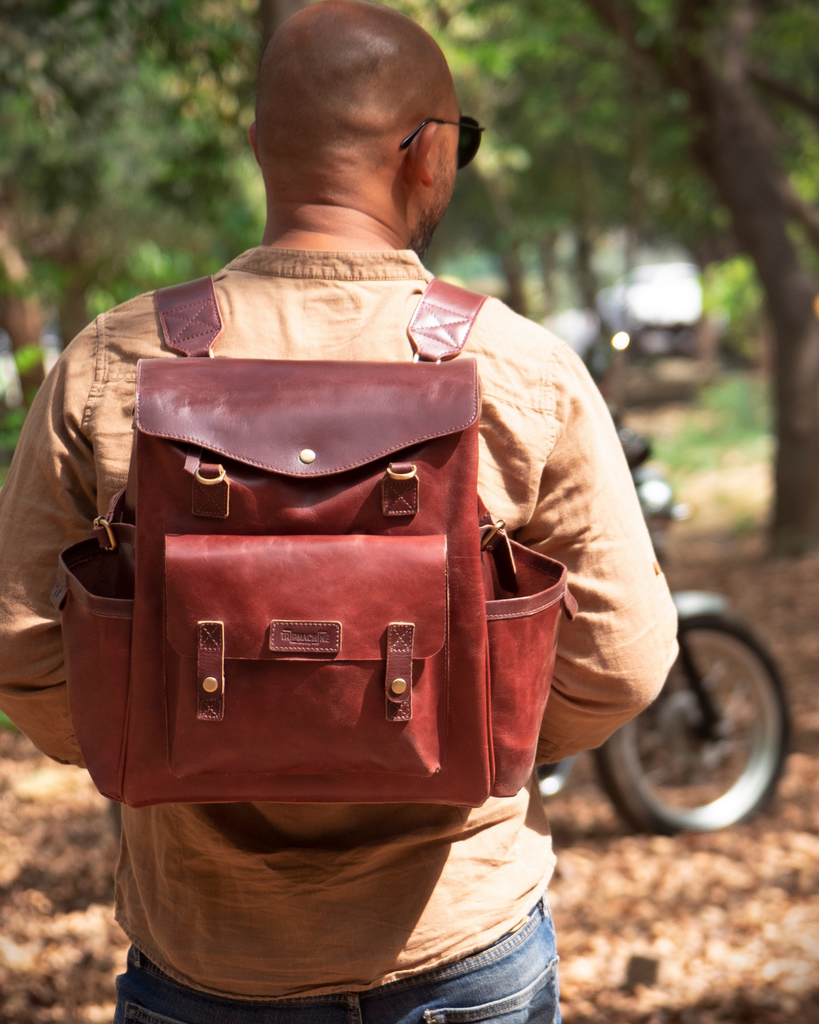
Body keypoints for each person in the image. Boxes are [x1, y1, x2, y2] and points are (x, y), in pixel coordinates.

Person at [0, 2, 678, 1021]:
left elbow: (25, 650)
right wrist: (467, 738)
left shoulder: (113, 362)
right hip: (458, 945)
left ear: (260, 149)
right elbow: (622, 660)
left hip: (206, 957)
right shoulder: (521, 370)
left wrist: (179, 745)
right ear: (431, 156)